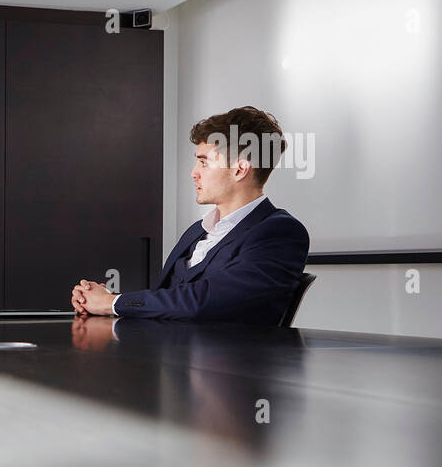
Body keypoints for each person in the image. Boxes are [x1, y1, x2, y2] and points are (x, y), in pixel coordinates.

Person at [71, 106, 309, 325]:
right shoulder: (197, 230)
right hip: (163, 357)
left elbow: (204, 301)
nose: (194, 173)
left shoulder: (280, 233)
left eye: (204, 163)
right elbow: (165, 297)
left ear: (239, 169)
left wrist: (113, 302)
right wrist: (98, 300)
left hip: (227, 369)